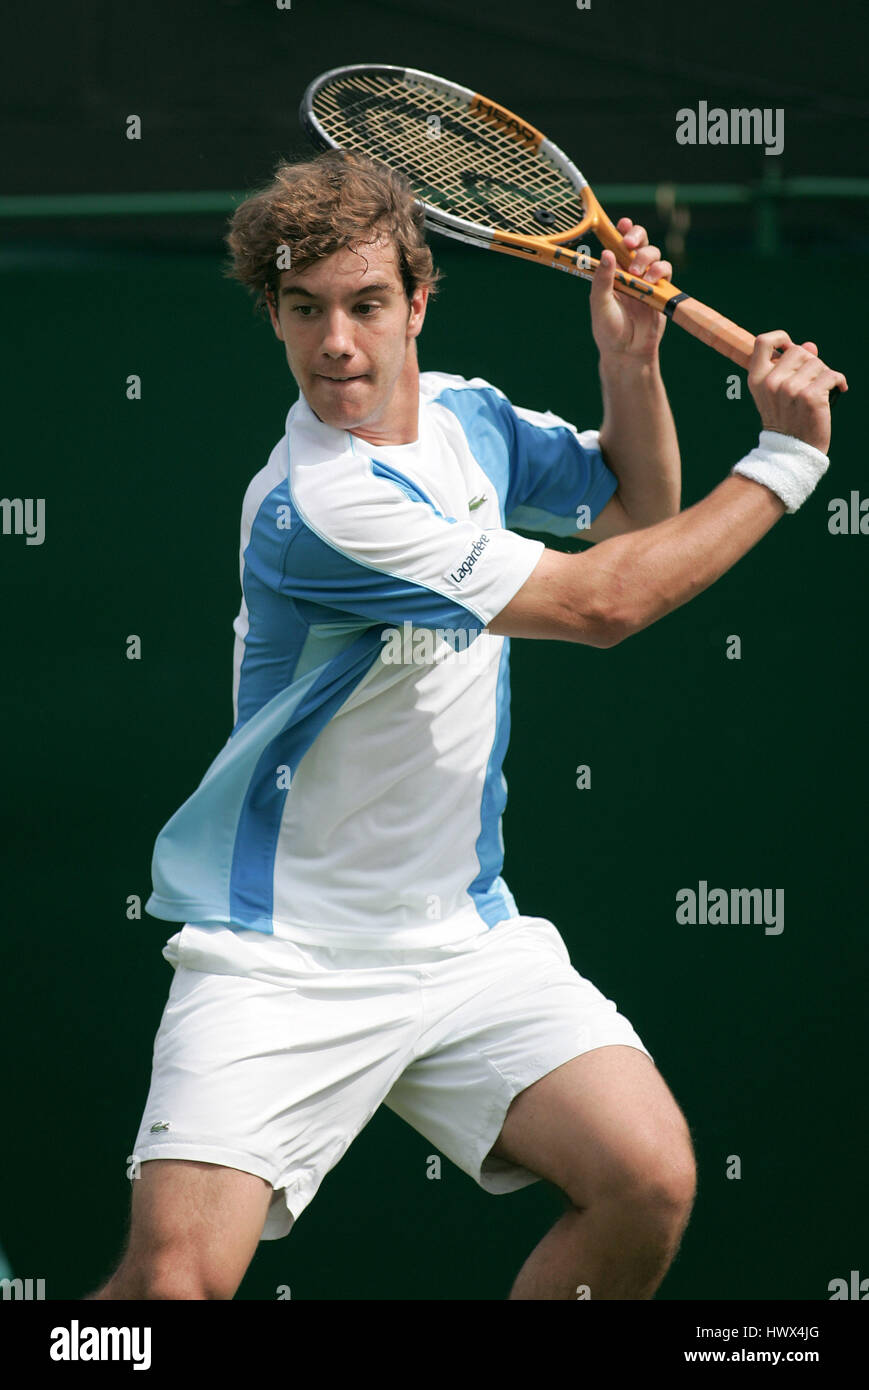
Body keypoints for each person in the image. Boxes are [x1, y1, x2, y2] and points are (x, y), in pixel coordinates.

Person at [89, 150, 846, 1301]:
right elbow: (604, 603)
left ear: (418, 300)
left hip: (461, 937)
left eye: (365, 304)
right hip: (282, 951)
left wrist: (625, 358)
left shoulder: (466, 418)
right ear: (274, 315)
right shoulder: (321, 505)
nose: (335, 340)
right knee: (170, 1292)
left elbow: (632, 505)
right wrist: (786, 458)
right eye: (304, 308)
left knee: (644, 1178)